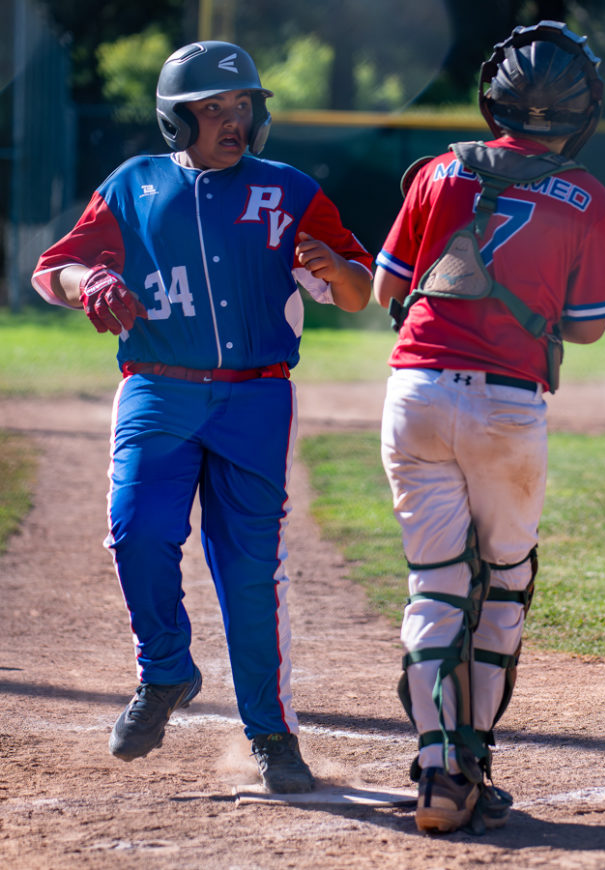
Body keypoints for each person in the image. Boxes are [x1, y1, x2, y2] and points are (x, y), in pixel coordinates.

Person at [31, 40, 372, 794]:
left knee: (249, 572)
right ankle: (166, 672)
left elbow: (358, 293)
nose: (232, 121)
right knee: (136, 529)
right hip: (158, 388)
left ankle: (272, 735)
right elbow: (51, 269)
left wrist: (335, 269)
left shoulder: (288, 190)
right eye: (212, 109)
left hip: (256, 396)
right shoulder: (134, 185)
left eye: (242, 105)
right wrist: (92, 279)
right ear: (174, 119)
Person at [373, 21, 605, 834]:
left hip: (414, 395)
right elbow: (588, 328)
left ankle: (439, 772)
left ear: (495, 98)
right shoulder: (587, 194)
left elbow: (389, 290)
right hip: (507, 407)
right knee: (505, 578)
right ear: (583, 109)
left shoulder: (438, 169)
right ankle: (475, 751)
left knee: (437, 584)